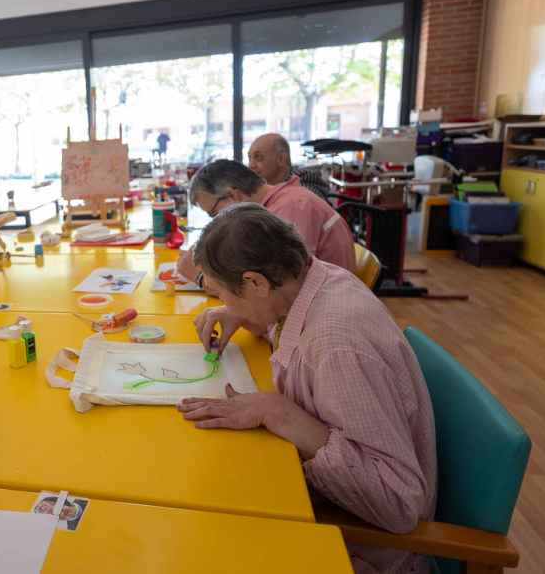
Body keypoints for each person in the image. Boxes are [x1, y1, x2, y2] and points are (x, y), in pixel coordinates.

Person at [179, 203, 437, 574]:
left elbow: (398, 504)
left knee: (202, 536)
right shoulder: (316, 279)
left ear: (256, 282)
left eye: (223, 294)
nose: (222, 303)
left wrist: (278, 412)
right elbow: (285, 325)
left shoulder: (335, 346)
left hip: (367, 547)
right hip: (324, 502)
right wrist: (245, 312)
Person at [177, 159, 355, 291]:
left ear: (232, 197)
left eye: (215, 215)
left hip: (322, 315)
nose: (216, 222)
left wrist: (201, 277)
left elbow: (269, 292)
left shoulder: (290, 208)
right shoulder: (278, 205)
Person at [247, 133, 329, 200]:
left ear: (281, 159)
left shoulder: (300, 193)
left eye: (258, 157)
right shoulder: (278, 189)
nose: (251, 165)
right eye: (250, 158)